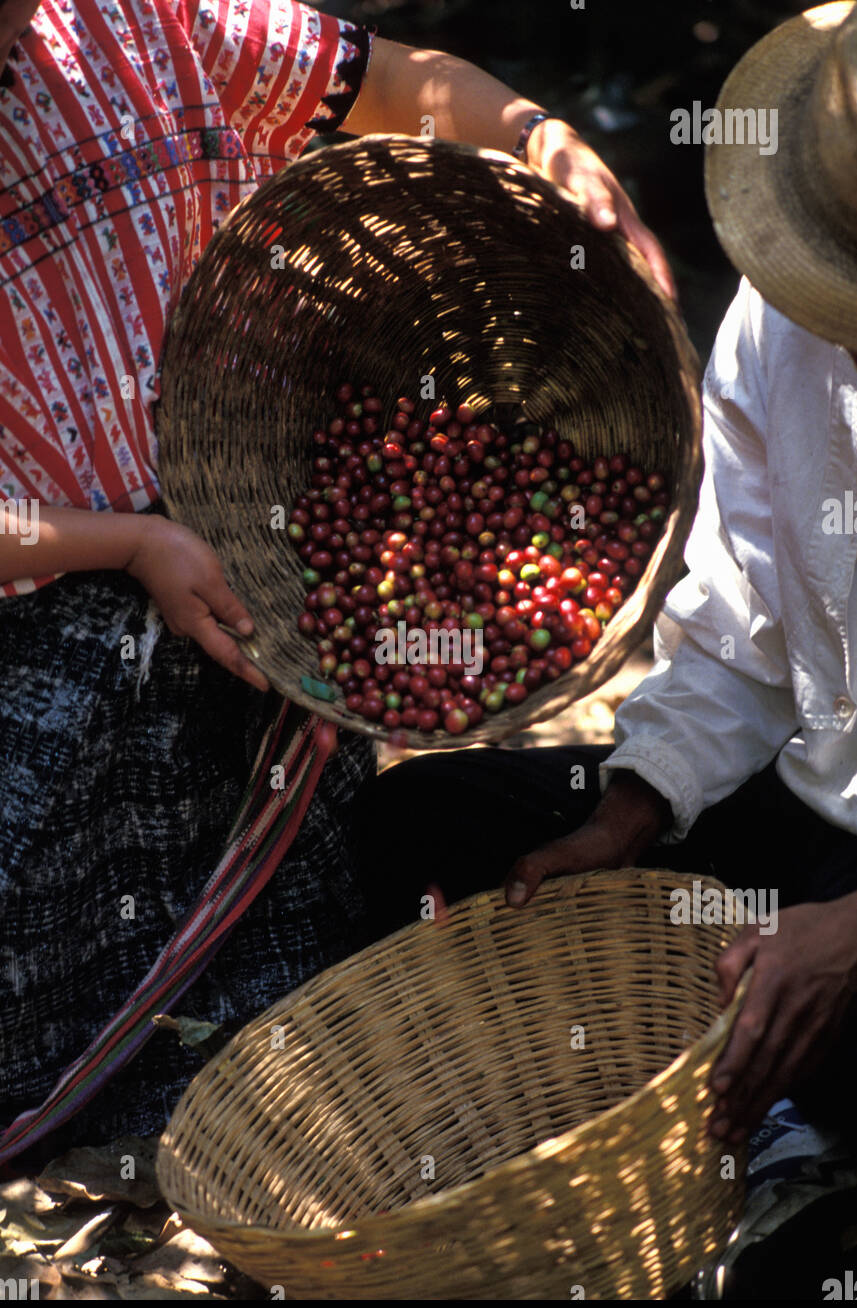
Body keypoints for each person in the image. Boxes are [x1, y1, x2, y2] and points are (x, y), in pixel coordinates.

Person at [0, 0, 673, 1164]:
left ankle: (266, 1076)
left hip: (257, 523)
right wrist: (121, 542)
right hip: (49, 599)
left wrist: (536, 135)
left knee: (308, 906)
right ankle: (127, 1103)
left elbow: (396, 79)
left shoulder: (142, 23)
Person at [356, 0, 857, 1152]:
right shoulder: (776, 332)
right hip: (809, 806)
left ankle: (794, 1127)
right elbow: (739, 624)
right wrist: (632, 806)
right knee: (420, 824)